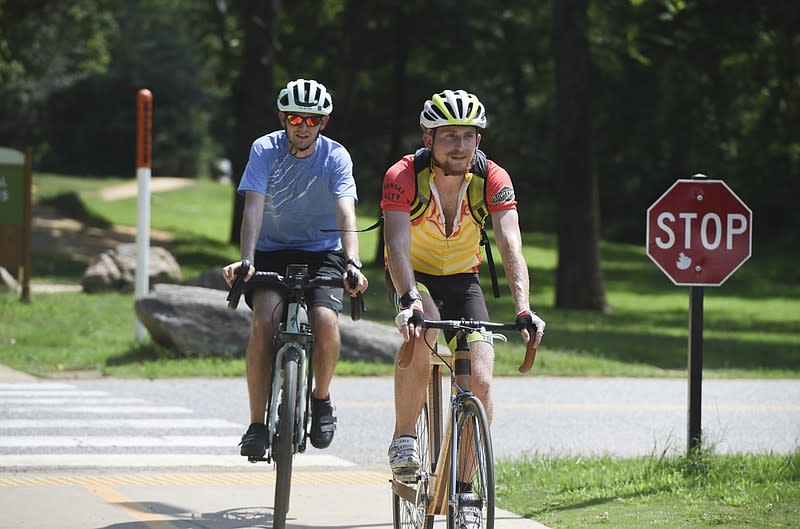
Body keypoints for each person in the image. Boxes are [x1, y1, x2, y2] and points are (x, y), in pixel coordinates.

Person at [381, 89, 546, 527]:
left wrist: (524, 308)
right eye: (448, 135)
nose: (459, 144)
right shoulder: (403, 175)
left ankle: (465, 491)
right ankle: (403, 440)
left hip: (463, 278)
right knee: (427, 331)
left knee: (483, 380)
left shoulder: (492, 177)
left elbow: (511, 243)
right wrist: (409, 299)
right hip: (412, 273)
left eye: (468, 135)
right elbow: (395, 243)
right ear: (428, 137)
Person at [222, 78, 368, 458]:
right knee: (263, 323)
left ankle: (321, 399)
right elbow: (253, 207)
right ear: (283, 118)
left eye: (311, 120)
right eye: (294, 118)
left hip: (323, 252)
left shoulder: (336, 156)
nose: (302, 126)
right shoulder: (264, 149)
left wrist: (352, 261)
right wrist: (247, 259)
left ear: (324, 123)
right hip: (270, 251)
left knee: (324, 320)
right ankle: (256, 424)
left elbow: (345, 209)